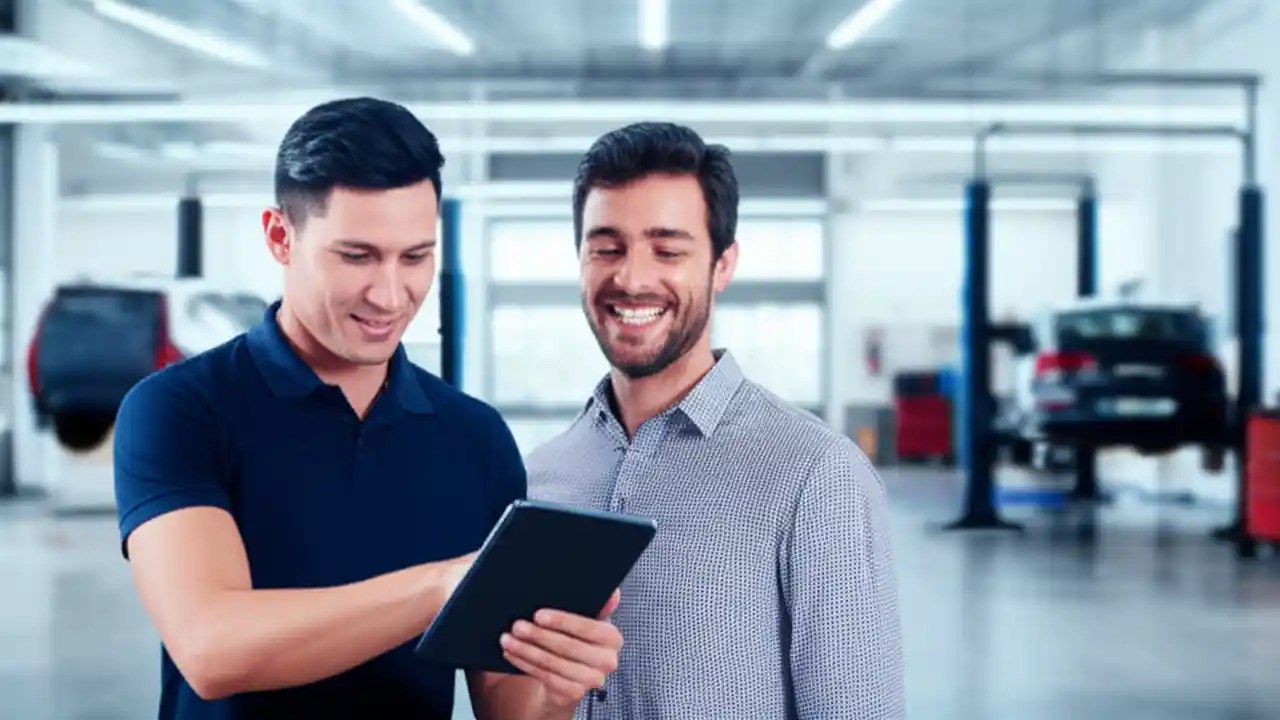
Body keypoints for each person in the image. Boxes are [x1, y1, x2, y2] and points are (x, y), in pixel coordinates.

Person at [112, 97, 622, 719]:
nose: (389, 294)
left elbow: (508, 710)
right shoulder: (179, 409)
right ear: (280, 236)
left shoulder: (474, 437)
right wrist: (440, 587)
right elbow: (212, 648)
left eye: (415, 257)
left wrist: (558, 682)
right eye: (357, 257)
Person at [525, 122, 905, 719]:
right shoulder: (543, 477)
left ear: (722, 265)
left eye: (668, 250)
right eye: (607, 247)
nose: (631, 278)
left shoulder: (816, 474)